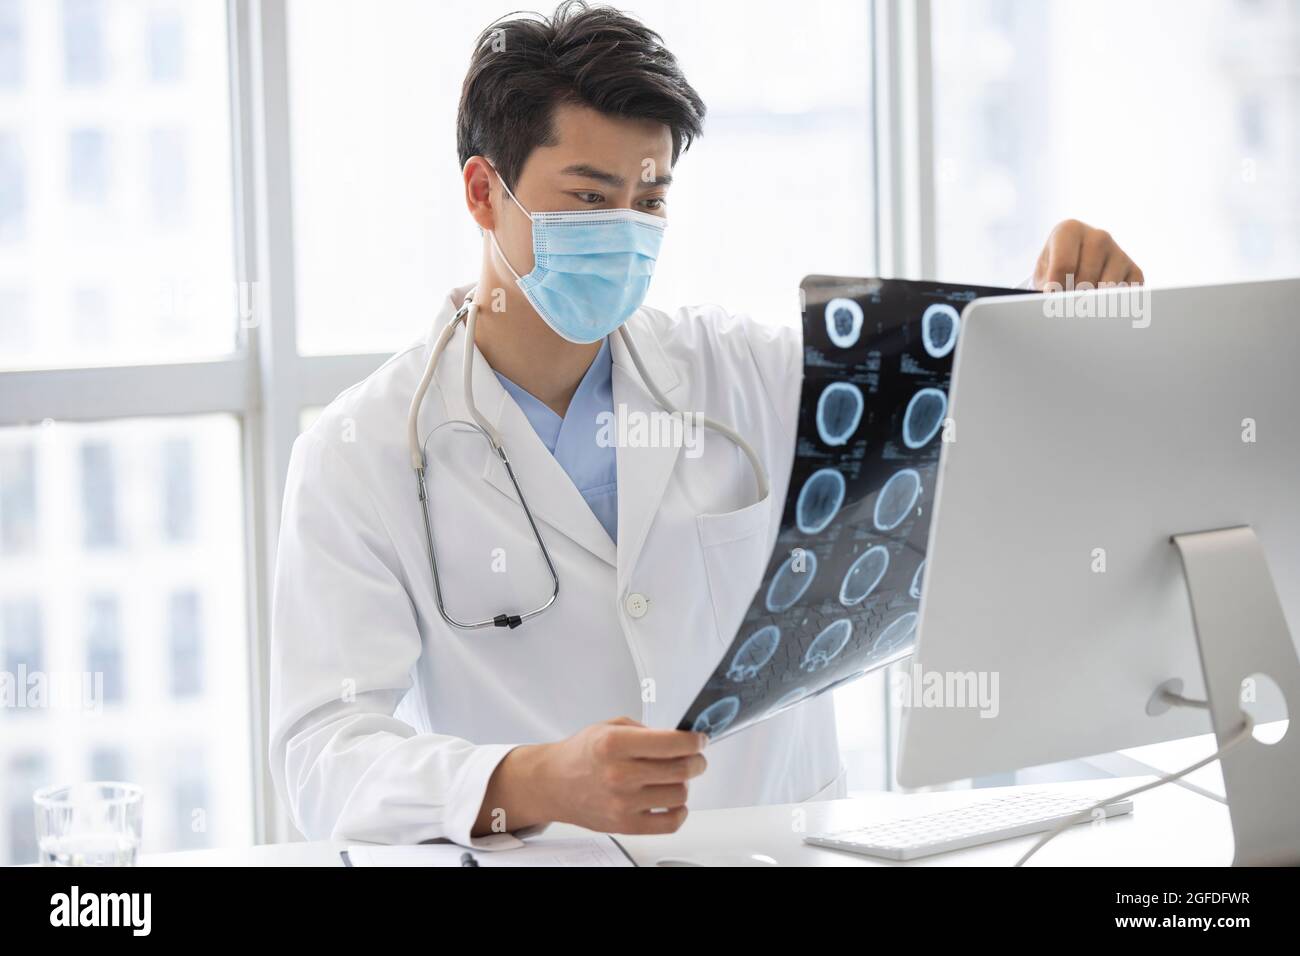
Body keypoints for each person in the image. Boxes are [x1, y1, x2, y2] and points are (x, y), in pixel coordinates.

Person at [269, 1, 1143, 848]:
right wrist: (533, 781)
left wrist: (1071, 312)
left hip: (782, 846)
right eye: (587, 197)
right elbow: (323, 755)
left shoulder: (743, 374)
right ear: (482, 192)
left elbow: (985, 410)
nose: (625, 231)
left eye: (648, 202)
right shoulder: (366, 454)